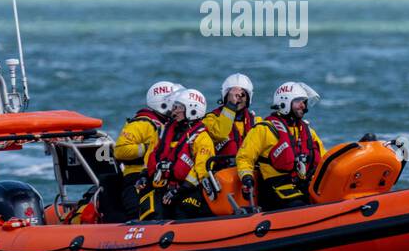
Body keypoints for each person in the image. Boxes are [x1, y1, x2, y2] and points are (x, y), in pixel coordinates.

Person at [235, 81, 324, 211]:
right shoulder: (263, 130)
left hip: (303, 185)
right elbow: (244, 157)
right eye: (298, 101)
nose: (303, 106)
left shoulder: (307, 131)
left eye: (304, 102)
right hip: (276, 188)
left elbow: (324, 157)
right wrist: (246, 177)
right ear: (285, 102)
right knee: (300, 207)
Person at [138, 88, 215, 220]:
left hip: (187, 191)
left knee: (183, 210)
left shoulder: (202, 138)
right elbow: (151, 155)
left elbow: (201, 170)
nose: (174, 110)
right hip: (161, 187)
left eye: (179, 107)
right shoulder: (165, 132)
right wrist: (144, 175)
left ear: (193, 109)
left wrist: (179, 190)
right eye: (174, 107)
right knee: (150, 211)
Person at [112, 80, 179, 219]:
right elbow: (120, 150)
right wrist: (148, 148)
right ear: (163, 103)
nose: (178, 106)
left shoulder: (171, 126)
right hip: (137, 177)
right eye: (175, 103)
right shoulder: (142, 123)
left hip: (159, 177)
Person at [202, 73, 260, 170]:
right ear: (225, 96)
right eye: (232, 94)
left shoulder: (256, 122)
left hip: (249, 172)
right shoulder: (211, 119)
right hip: (222, 174)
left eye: (242, 95)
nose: (236, 98)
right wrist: (230, 107)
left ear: (248, 98)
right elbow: (220, 133)